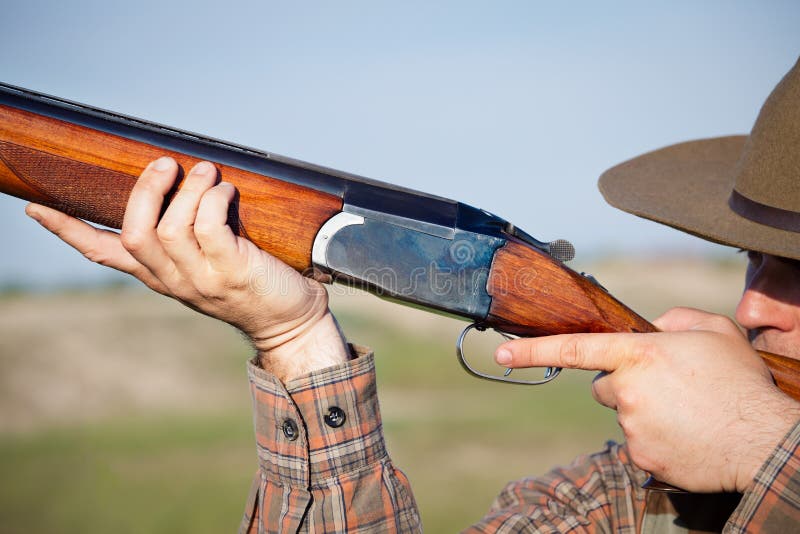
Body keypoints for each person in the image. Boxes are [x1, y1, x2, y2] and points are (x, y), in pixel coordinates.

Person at [24, 57, 800, 533]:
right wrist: (296, 341)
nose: (756, 306)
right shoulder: (636, 496)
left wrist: (760, 446)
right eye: (752, 258)